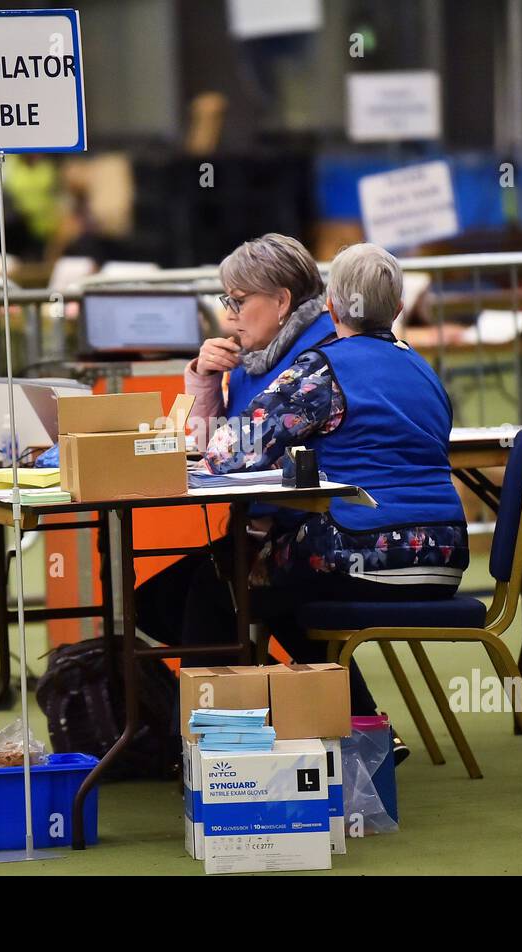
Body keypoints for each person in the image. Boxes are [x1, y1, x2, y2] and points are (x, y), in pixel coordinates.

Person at [188, 243, 469, 732]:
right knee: (278, 580)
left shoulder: (321, 371)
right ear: (399, 310)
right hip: (445, 558)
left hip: (362, 551)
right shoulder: (424, 370)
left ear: (333, 307)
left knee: (228, 581)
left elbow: (225, 455)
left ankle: (226, 744)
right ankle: (359, 725)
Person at [134, 233, 335, 647]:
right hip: (265, 532)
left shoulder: (319, 355)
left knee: (206, 600)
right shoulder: (253, 355)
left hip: (308, 532)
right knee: (160, 603)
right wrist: (204, 378)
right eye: (227, 302)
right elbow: (212, 444)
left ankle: (221, 704)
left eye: (238, 301)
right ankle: (305, 699)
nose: (230, 317)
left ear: (282, 301)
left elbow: (223, 455)